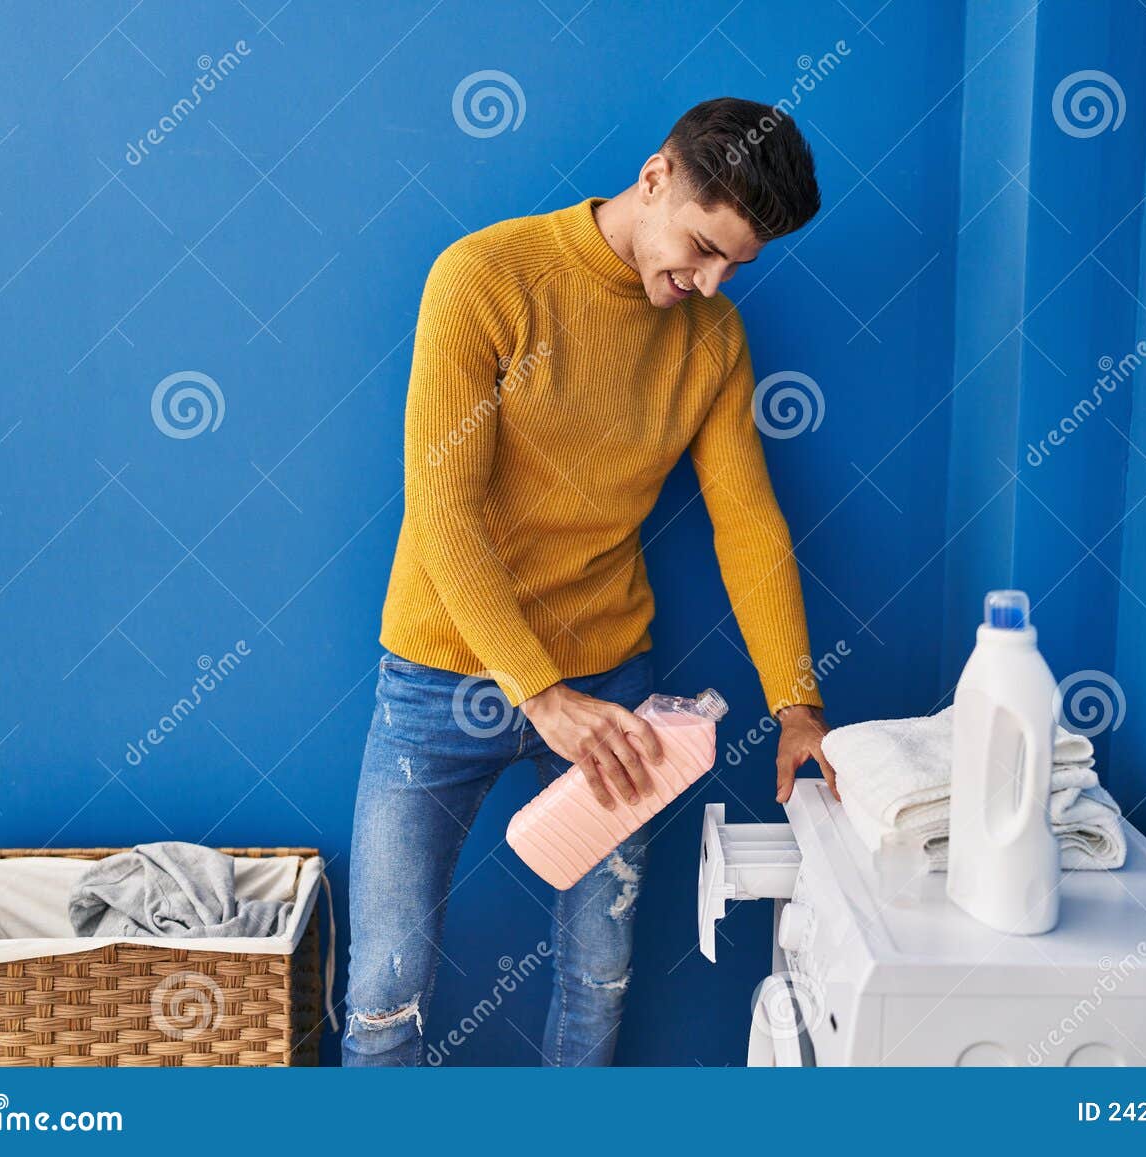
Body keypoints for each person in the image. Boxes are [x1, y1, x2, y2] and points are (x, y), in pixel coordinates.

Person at [342, 97, 838, 1067]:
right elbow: (444, 512)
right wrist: (539, 691)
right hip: (443, 672)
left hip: (610, 680)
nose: (709, 281)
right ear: (653, 177)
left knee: (599, 969)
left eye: (736, 264)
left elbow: (745, 522)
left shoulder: (713, 339)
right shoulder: (483, 276)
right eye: (701, 247)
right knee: (385, 985)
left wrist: (796, 702)